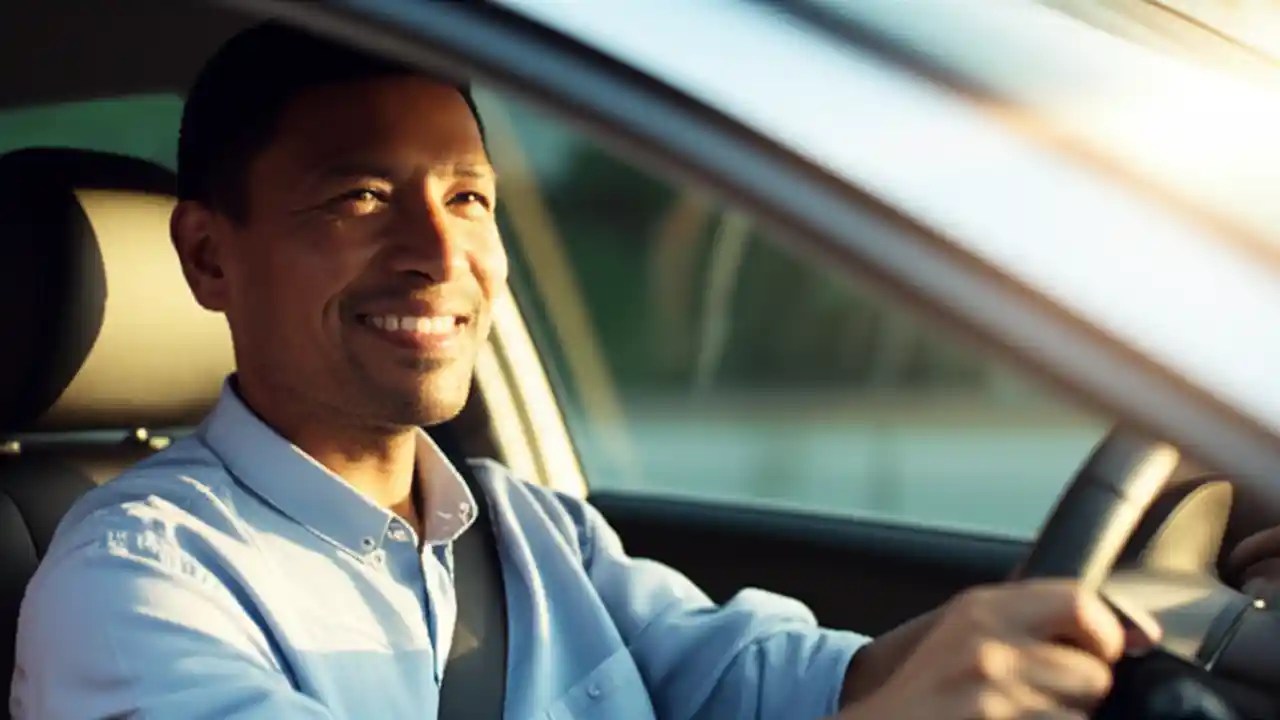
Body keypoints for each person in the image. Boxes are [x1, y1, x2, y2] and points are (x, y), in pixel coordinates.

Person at [9, 21, 1276, 720]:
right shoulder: (132, 584)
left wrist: (975, 646)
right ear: (206, 256)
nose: (440, 253)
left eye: (469, 194)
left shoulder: (526, 530)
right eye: (358, 197)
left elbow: (757, 675)